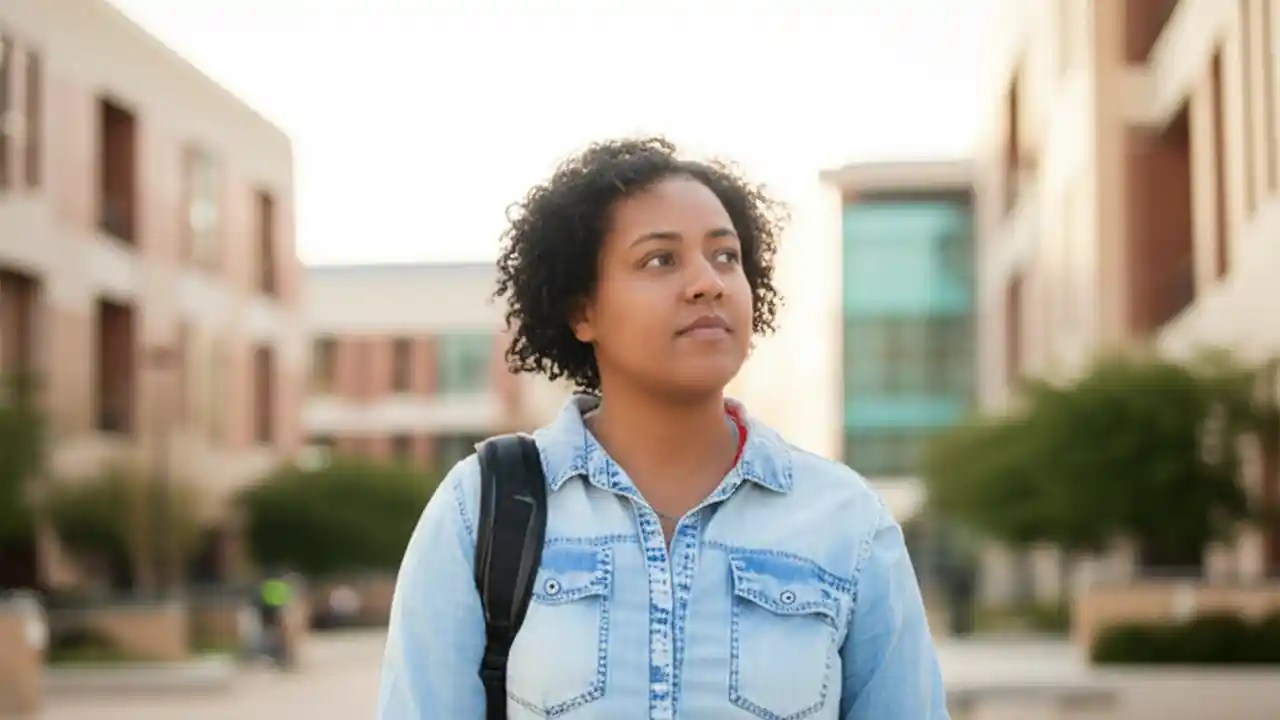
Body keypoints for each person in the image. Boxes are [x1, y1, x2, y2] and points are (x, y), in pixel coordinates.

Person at [378, 137, 947, 719]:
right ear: (582, 311)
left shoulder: (846, 521)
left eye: (725, 256)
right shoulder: (482, 507)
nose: (708, 282)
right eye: (660, 260)